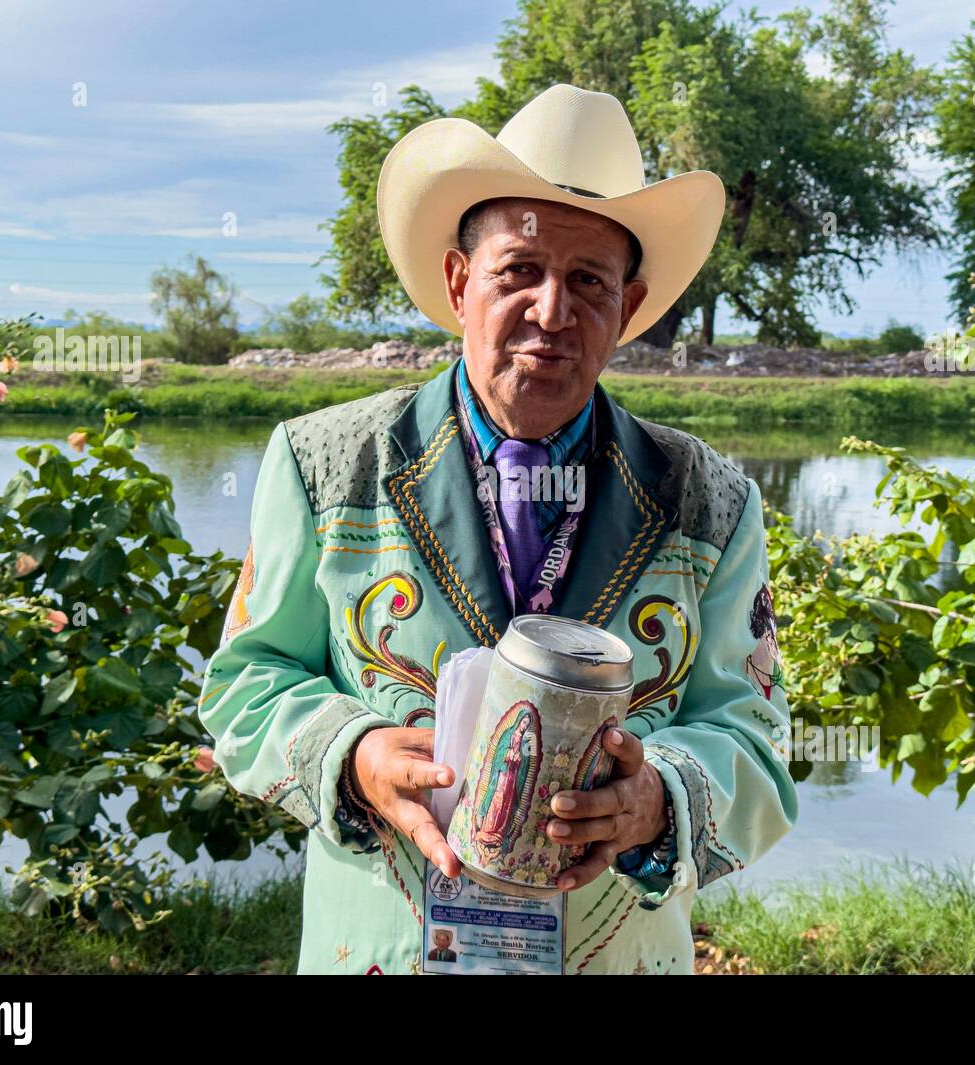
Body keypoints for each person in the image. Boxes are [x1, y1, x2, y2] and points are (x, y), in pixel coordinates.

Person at [199, 83, 798, 975]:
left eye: (589, 282)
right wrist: (353, 754)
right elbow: (246, 683)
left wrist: (655, 801)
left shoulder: (708, 502)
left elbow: (753, 734)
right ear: (457, 282)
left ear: (628, 310)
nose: (552, 312)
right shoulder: (326, 464)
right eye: (519, 269)